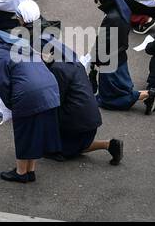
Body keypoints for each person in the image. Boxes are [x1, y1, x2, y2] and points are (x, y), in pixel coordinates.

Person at [0, 29, 61, 183]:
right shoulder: (26, 48)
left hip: (28, 95)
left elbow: (2, 83)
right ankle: (30, 170)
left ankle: (21, 173)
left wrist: (11, 105)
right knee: (35, 133)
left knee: (24, 134)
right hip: (50, 91)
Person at [39, 33, 122, 165]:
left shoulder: (57, 69)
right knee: (79, 145)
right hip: (89, 120)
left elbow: (54, 100)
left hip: (75, 123)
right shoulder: (74, 62)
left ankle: (61, 150)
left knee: (54, 148)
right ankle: (109, 145)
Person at [91, 0, 155, 114]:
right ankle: (147, 95)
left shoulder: (112, 18)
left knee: (110, 98)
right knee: (118, 89)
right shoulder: (121, 13)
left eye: (98, 1)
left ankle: (148, 95)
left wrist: (94, 58)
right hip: (119, 58)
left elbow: (104, 42)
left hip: (110, 61)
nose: (97, 4)